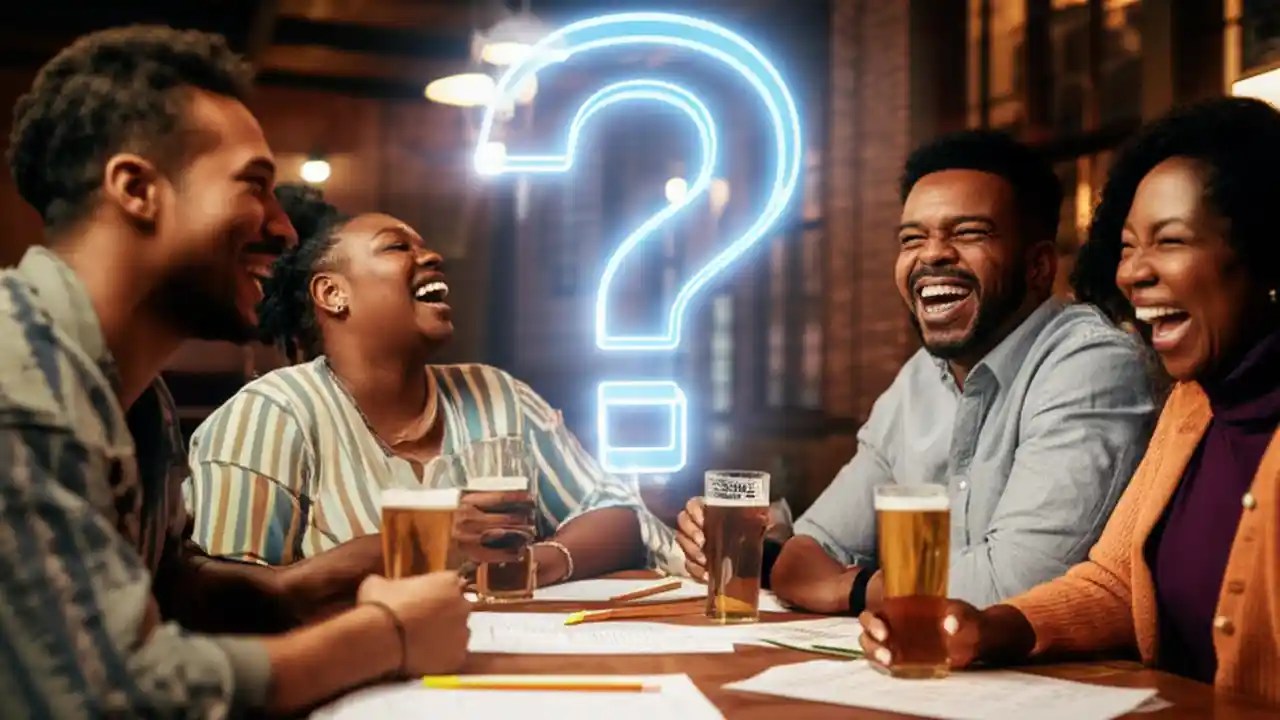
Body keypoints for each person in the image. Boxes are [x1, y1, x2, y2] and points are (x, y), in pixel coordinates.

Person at [0, 26, 470, 717]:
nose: (284, 231)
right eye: (255, 187)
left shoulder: (137, 400)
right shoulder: (22, 382)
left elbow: (170, 593)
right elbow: (117, 697)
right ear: (136, 189)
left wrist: (296, 589)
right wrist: (389, 635)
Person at [860, 97, 1280, 705]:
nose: (1133, 273)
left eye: (1171, 241)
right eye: (1129, 246)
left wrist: (852, 588)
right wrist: (994, 628)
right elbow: (1117, 583)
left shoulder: (1094, 362)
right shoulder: (1193, 408)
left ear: (1266, 253)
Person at [677, 130, 1159, 613]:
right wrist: (796, 562)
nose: (931, 255)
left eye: (968, 233)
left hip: (1072, 682)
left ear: (1037, 266)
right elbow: (814, 546)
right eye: (912, 238)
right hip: (936, 675)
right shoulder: (921, 377)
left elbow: (1013, 586)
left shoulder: (1091, 364)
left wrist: (854, 588)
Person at [183, 184, 684, 584]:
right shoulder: (271, 414)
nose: (432, 256)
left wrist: (536, 563)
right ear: (332, 293)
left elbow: (617, 515)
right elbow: (230, 595)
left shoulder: (497, 395)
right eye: (397, 247)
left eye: (425, 245)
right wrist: (428, 539)